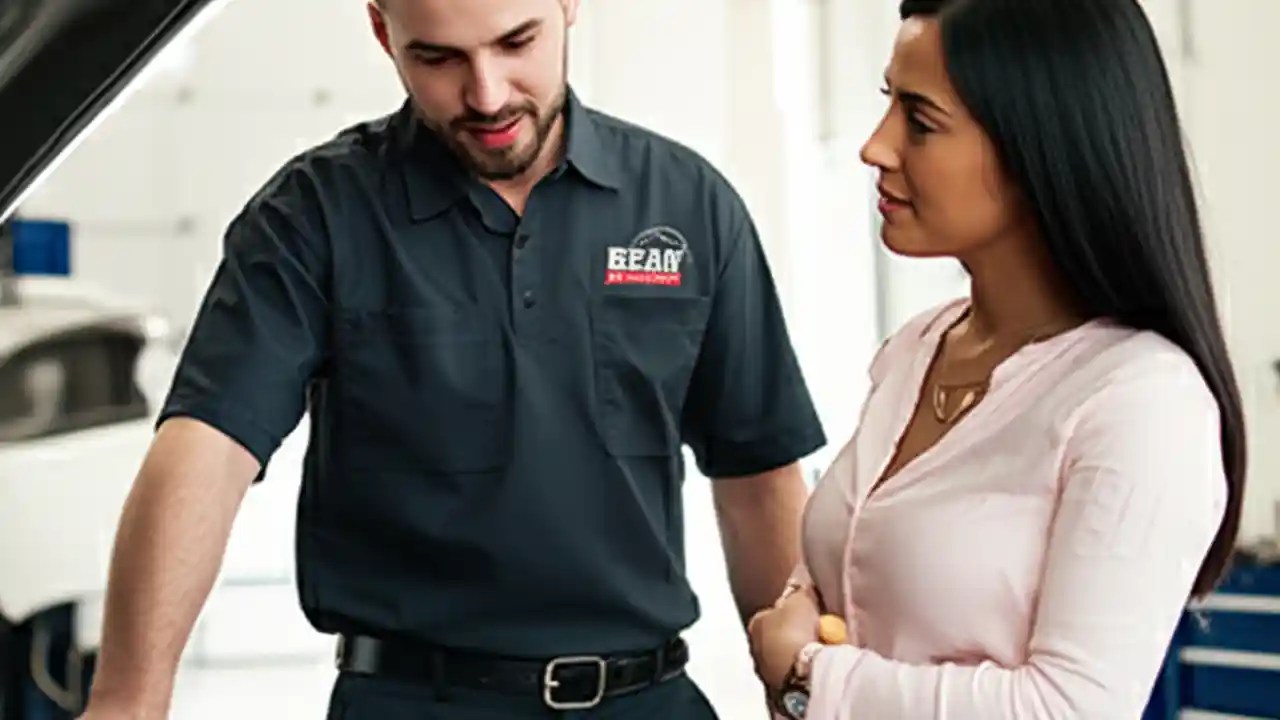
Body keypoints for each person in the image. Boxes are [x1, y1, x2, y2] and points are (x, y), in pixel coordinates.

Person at [79, 0, 827, 717]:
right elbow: (207, 449)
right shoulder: (315, 215)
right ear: (382, 31)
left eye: (516, 43)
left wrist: (797, 698)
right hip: (411, 702)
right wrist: (128, 702)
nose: (487, 94)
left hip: (649, 701)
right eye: (438, 58)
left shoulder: (688, 205)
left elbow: (758, 478)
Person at [746, 0, 1247, 718]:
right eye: (889, 104)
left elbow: (1070, 709)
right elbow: (839, 571)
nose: (875, 147)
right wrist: (801, 618)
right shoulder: (915, 350)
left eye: (920, 121)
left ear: (1041, 145)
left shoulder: (1142, 399)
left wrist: (807, 677)